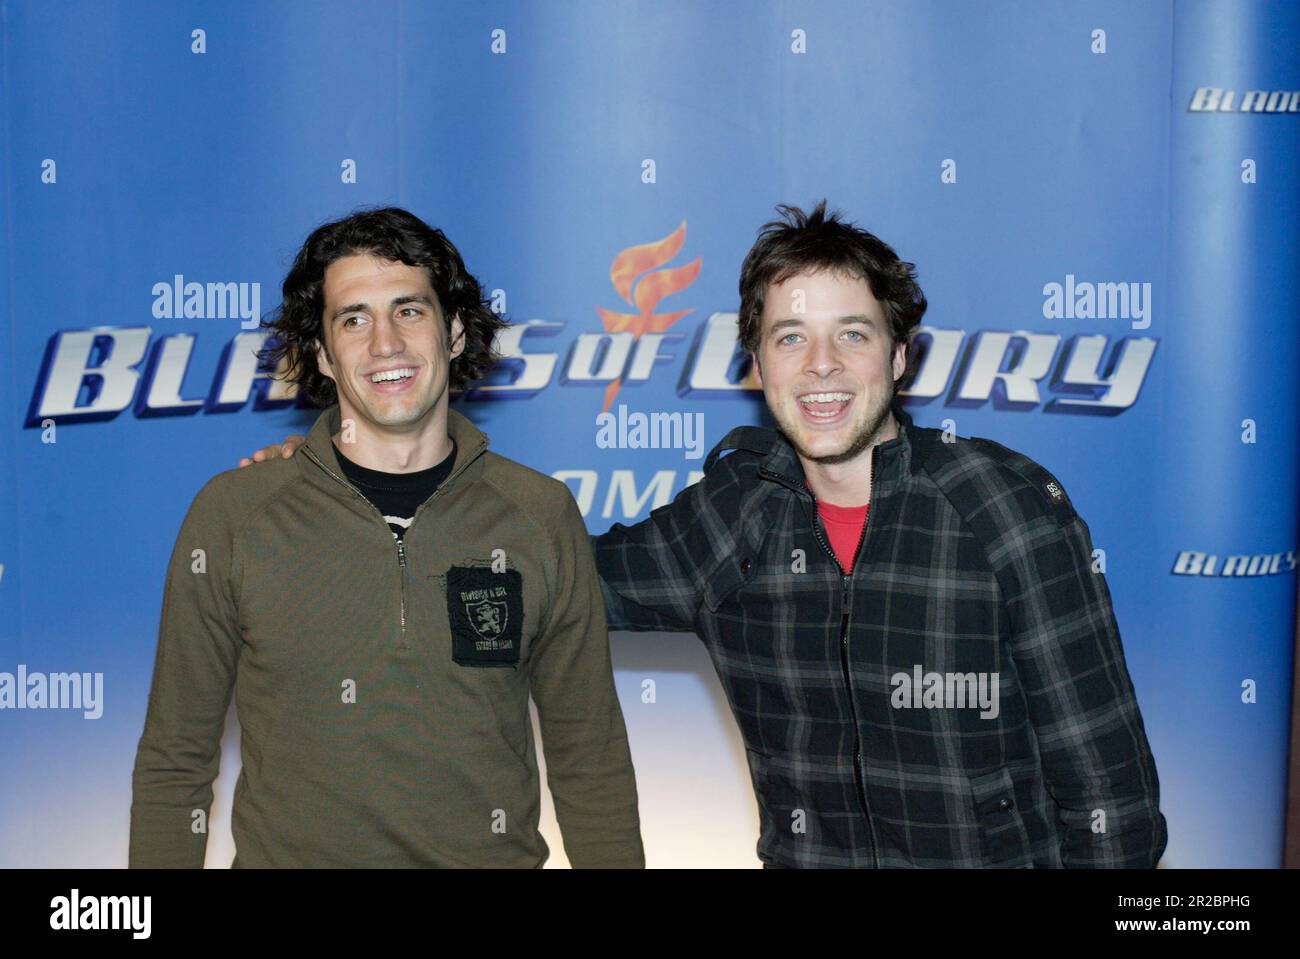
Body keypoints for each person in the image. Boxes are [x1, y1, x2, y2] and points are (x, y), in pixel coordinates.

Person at [242, 201, 1167, 868]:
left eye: (853, 334)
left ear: (900, 351)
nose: (823, 367)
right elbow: (541, 579)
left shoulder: (1006, 508)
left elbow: (1112, 801)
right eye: (790, 338)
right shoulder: (735, 516)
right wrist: (350, 488)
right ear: (755, 363)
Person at [133, 207, 644, 868]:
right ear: (320, 351)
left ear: (454, 331)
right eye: (353, 319)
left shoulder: (539, 515)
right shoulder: (233, 517)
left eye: (409, 310)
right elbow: (177, 762)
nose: (384, 344)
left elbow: (591, 762)